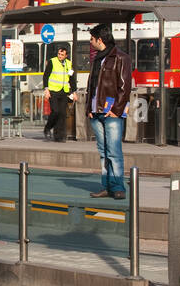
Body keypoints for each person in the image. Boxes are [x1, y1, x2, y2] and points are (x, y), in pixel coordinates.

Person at [86, 24, 131, 200]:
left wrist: (117, 110)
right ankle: (106, 186)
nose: (90, 42)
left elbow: (125, 86)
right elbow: (92, 85)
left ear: (100, 39)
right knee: (103, 152)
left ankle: (118, 186)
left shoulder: (121, 57)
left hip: (111, 113)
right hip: (96, 112)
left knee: (114, 151)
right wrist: (89, 108)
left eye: (92, 39)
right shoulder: (98, 58)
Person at [42, 44, 77, 143]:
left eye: (62, 54)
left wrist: (74, 92)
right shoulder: (52, 61)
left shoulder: (69, 64)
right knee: (55, 111)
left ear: (66, 56)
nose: (60, 56)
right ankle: (48, 127)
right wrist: (46, 89)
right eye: (59, 54)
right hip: (53, 91)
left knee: (62, 114)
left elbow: (71, 78)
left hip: (64, 91)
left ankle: (59, 136)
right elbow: (46, 76)